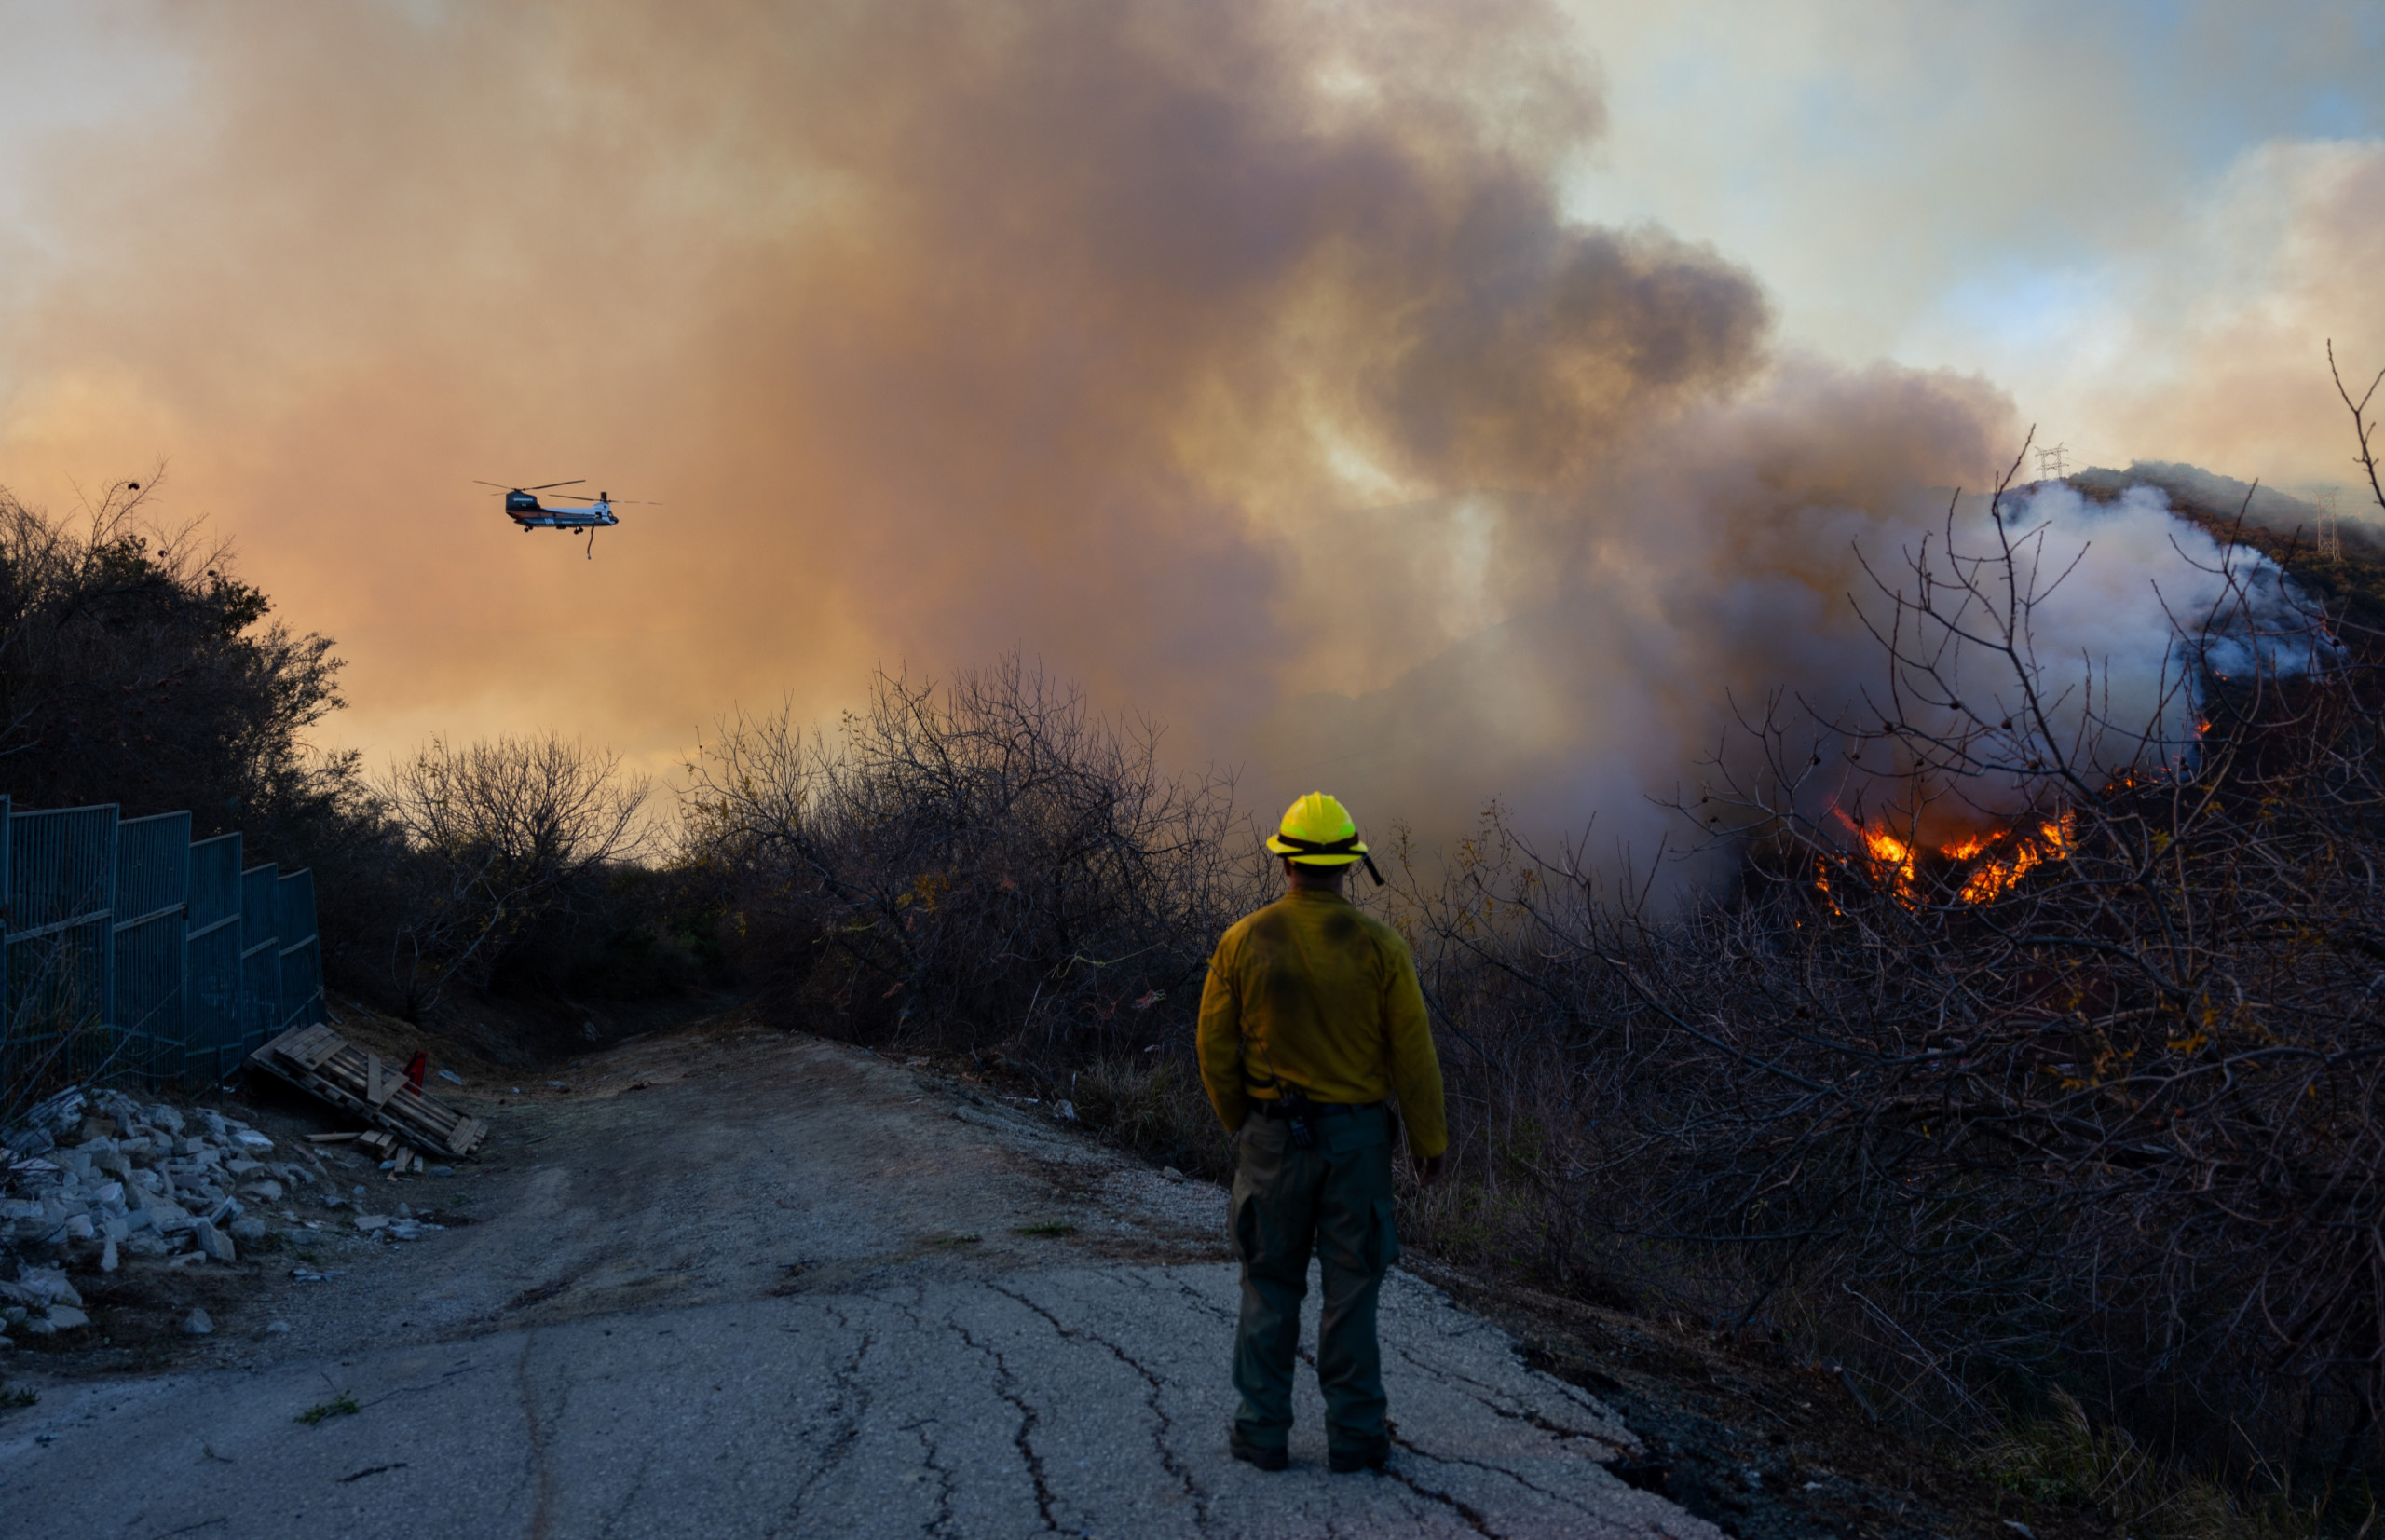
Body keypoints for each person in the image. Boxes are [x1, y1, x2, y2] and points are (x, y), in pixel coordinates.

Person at [1196, 791, 1449, 1475]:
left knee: (1269, 1285)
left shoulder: (1242, 941)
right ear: (1350, 865)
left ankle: (1262, 1432)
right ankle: (1357, 1436)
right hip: (1358, 1146)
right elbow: (1413, 1055)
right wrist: (1428, 1140)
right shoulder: (1382, 947)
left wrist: (1242, 1122)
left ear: (1285, 862)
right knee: (1352, 1290)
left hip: (1271, 1141)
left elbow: (1213, 1047)